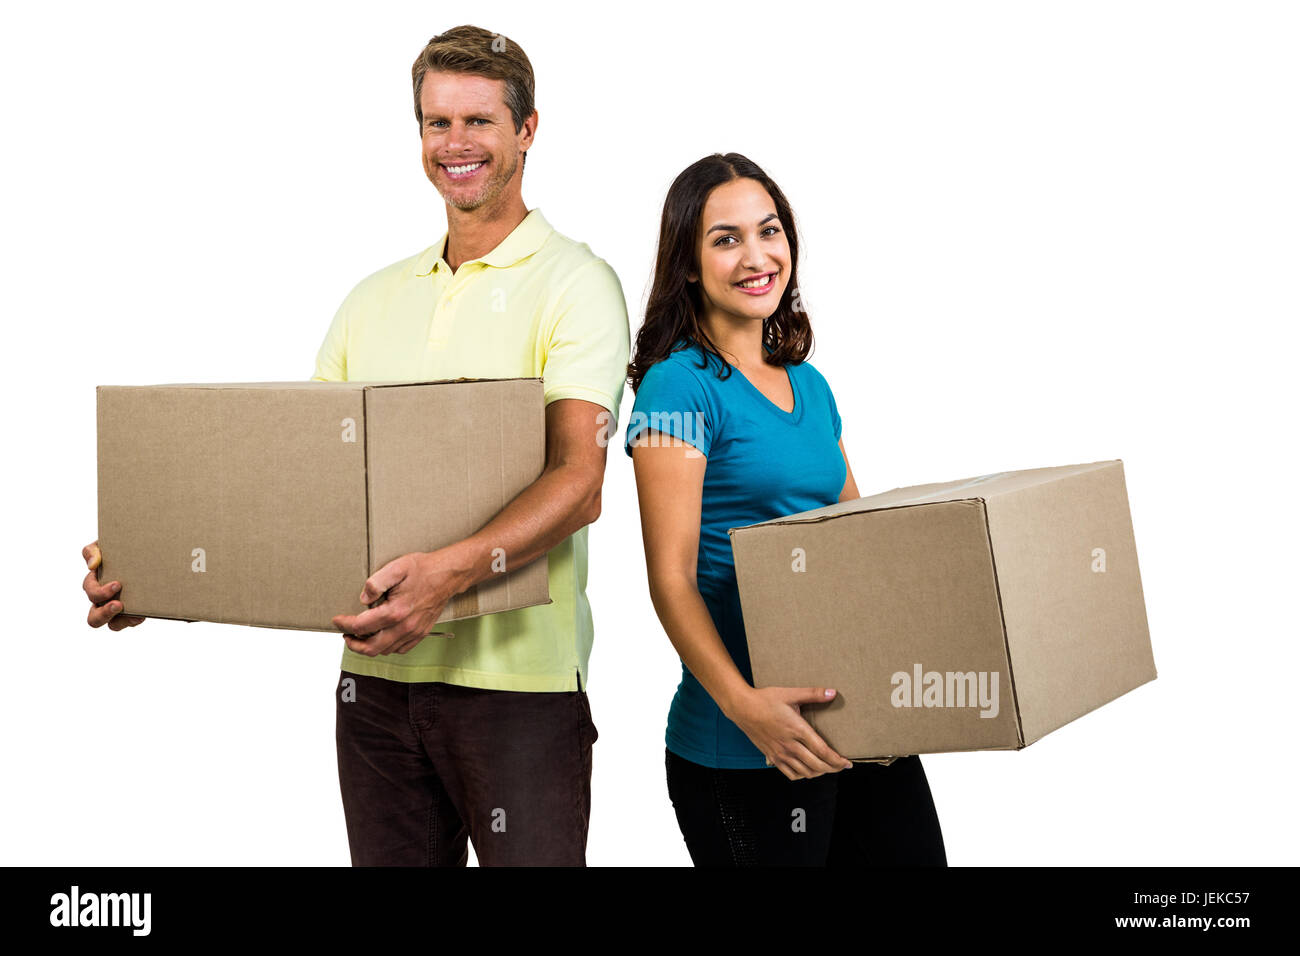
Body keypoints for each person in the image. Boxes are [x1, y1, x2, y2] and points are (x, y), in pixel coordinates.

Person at [83, 24, 630, 867]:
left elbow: (580, 480)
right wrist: (156, 571)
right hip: (372, 688)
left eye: (479, 121)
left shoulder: (576, 285)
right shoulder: (371, 301)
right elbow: (302, 492)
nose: (455, 145)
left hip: (517, 692)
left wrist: (446, 578)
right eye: (435, 122)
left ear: (527, 129)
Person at [624, 152, 947, 866]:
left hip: (855, 726)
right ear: (687, 264)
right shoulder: (678, 389)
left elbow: (856, 544)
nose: (756, 255)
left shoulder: (813, 386)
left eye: (769, 231)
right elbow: (670, 578)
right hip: (744, 745)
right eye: (725, 238)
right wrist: (747, 707)